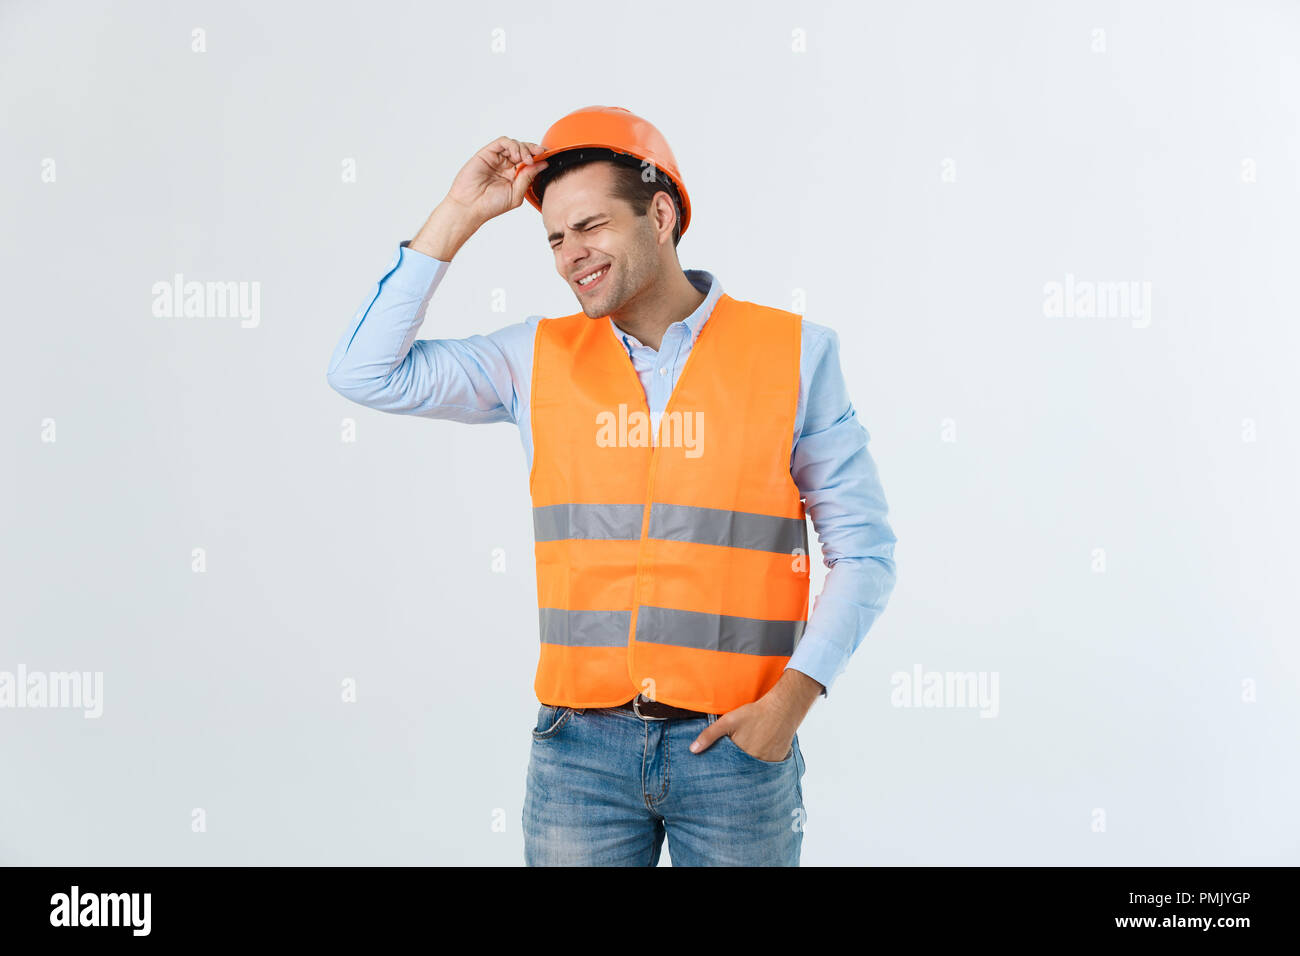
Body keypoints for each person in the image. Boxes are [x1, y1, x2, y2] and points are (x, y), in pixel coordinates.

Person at [326, 106, 898, 866]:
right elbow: (363, 371)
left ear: (659, 215)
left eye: (590, 226)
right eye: (555, 238)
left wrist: (787, 708)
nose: (570, 255)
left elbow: (864, 551)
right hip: (577, 757)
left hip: (736, 747)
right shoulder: (531, 358)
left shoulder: (795, 354)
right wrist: (459, 214)